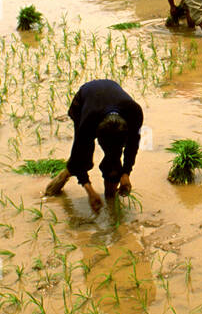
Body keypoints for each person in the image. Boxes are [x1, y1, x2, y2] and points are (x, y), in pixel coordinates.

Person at [44, 79, 143, 213]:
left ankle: (110, 199)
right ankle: (67, 172)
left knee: (113, 159)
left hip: (110, 96)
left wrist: (126, 173)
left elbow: (133, 145)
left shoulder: (134, 113)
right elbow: (78, 152)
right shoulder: (88, 122)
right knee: (84, 158)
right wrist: (89, 190)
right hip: (83, 101)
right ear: (97, 134)